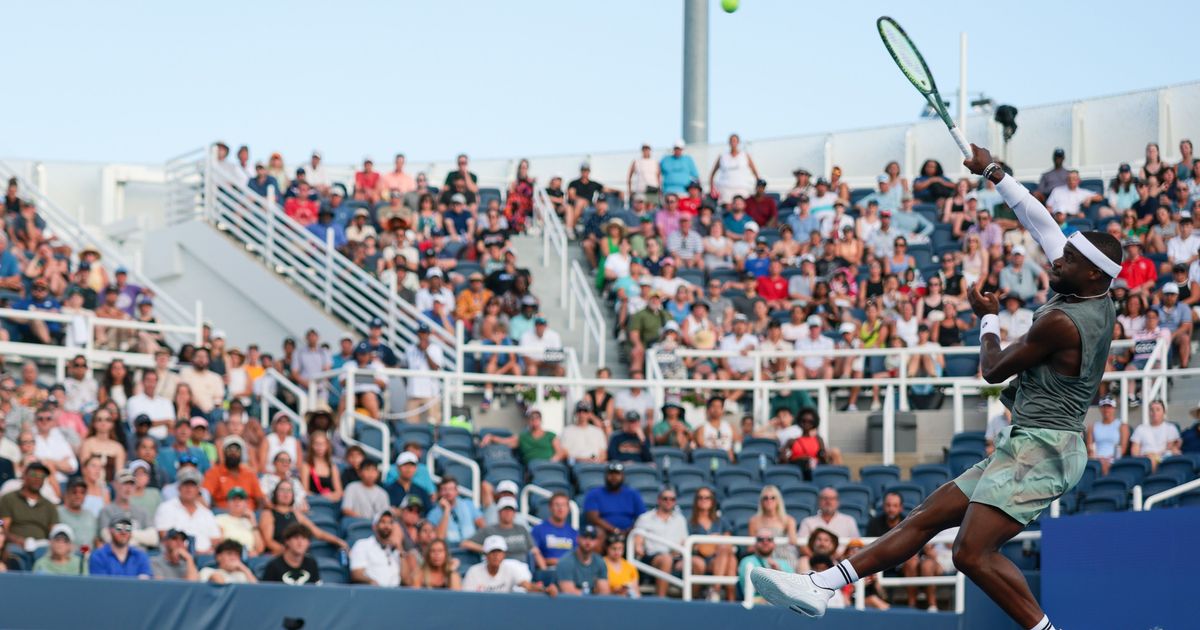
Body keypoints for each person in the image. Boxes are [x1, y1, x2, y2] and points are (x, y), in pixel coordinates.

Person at [752, 143, 1123, 630]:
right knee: (924, 517)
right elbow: (1042, 223)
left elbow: (992, 370)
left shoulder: (1065, 321)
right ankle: (822, 586)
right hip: (1028, 443)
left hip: (1047, 450)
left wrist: (988, 319)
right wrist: (993, 172)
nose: (1057, 258)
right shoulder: (1091, 284)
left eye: (1068, 258)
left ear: (1093, 271)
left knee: (971, 553)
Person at [632, 487, 689, 597]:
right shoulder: (645, 518)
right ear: (658, 500)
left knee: (697, 563)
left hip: (676, 558)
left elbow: (684, 542)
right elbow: (638, 539)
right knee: (666, 559)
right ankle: (661, 600)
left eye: (672, 499)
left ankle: (693, 601)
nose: (669, 502)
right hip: (652, 558)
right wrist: (638, 546)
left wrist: (684, 559)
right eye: (665, 499)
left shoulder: (680, 519)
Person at [154, 468, 222, 554]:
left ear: (198, 490)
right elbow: (164, 536)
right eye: (185, 484)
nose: (189, 488)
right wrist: (194, 552)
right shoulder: (166, 508)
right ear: (179, 488)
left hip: (206, 557)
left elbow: (216, 539)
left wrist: (208, 552)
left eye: (192, 485)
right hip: (177, 558)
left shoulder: (206, 512)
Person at [462, 535, 553, 595]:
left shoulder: (512, 567)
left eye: (499, 552)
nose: (496, 556)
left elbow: (527, 586)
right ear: (486, 555)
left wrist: (545, 590)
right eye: (492, 552)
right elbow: (467, 599)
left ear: (504, 554)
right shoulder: (473, 572)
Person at [0, 461, 58, 548]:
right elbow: (3, 529)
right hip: (15, 545)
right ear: (24, 475)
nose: (38, 478)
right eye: (33, 474)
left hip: (42, 547)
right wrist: (19, 541)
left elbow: (54, 533)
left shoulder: (49, 506)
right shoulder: (9, 499)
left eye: (42, 476)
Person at [583, 462, 645, 535]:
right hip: (604, 532)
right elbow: (593, 518)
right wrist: (614, 530)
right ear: (605, 476)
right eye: (611, 474)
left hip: (629, 533)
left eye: (617, 474)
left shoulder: (633, 494)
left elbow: (642, 517)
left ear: (623, 476)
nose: (614, 477)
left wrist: (629, 531)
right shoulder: (594, 494)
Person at [739, 528, 795, 601]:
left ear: (774, 544)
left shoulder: (784, 564)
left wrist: (779, 573)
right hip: (757, 605)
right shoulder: (747, 562)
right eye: (761, 539)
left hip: (783, 604)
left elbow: (792, 590)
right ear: (755, 544)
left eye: (769, 539)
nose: (765, 542)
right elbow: (748, 590)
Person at [426, 476, 484, 546]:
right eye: (444, 489)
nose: (448, 492)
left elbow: (483, 527)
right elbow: (439, 539)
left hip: (471, 547)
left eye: (451, 489)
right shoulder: (433, 514)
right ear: (439, 493)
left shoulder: (468, 504)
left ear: (457, 491)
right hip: (449, 551)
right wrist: (446, 511)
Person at [350, 511, 402, 587]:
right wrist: (371, 581)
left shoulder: (395, 550)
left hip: (396, 593)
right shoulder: (363, 544)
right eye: (383, 522)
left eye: (390, 523)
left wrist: (400, 548)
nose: (387, 526)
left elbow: (406, 579)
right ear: (374, 526)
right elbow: (356, 573)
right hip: (374, 592)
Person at [89, 517, 153, 578]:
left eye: (128, 528)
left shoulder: (141, 556)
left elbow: (145, 584)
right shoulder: (98, 556)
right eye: (118, 528)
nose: (123, 532)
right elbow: (100, 585)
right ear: (110, 530)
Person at [555, 525, 610, 595]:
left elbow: (604, 592)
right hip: (568, 604)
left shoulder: (600, 562)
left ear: (596, 541)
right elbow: (569, 593)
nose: (588, 541)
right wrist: (592, 594)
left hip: (593, 604)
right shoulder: (565, 561)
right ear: (577, 539)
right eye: (585, 537)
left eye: (592, 538)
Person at [530, 492, 577, 569]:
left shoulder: (573, 533)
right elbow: (533, 557)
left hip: (570, 572)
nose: (560, 508)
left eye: (563, 505)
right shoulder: (538, 530)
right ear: (550, 507)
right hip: (547, 571)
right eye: (557, 505)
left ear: (568, 509)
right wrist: (553, 562)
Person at [1130, 400, 1183, 467]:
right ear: (1149, 412)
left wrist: (1153, 456)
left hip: (1163, 461)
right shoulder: (1140, 428)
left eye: (1158, 409)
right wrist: (1146, 456)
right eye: (1152, 410)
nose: (1154, 412)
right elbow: (1134, 452)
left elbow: (1170, 449)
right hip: (1143, 461)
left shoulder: (1171, 428)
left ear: (1164, 412)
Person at [1086, 397, 1129, 476]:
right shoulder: (1092, 427)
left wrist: (1109, 459)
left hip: (1114, 459)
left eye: (1109, 406)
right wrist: (1099, 458)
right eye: (1104, 406)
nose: (1106, 409)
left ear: (1114, 408)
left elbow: (1123, 448)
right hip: (1096, 459)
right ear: (1100, 409)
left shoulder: (1122, 426)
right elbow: (1089, 448)